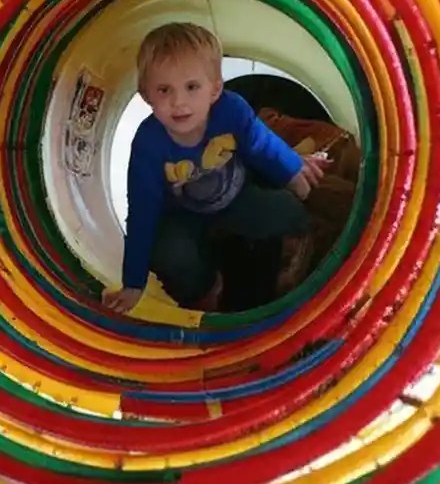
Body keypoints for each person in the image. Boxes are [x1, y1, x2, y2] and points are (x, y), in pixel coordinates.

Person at [103, 23, 328, 314]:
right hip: (183, 215)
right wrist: (133, 283)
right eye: (163, 90)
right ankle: (207, 288)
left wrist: (293, 170)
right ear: (146, 96)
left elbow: (261, 144)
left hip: (236, 197)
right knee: (168, 255)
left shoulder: (231, 109)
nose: (179, 102)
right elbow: (142, 211)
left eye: (192, 87)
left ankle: (295, 251)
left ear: (215, 89)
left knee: (289, 211)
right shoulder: (148, 144)